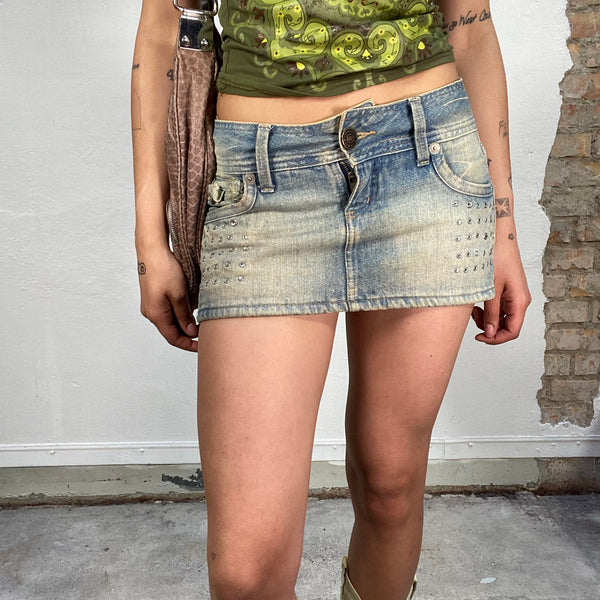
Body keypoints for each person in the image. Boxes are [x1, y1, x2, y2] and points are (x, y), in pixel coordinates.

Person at [131, 0, 531, 598]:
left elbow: (469, 30)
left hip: (427, 162)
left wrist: (504, 228)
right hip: (260, 179)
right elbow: (164, 30)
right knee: (244, 573)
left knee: (389, 485)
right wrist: (149, 237)